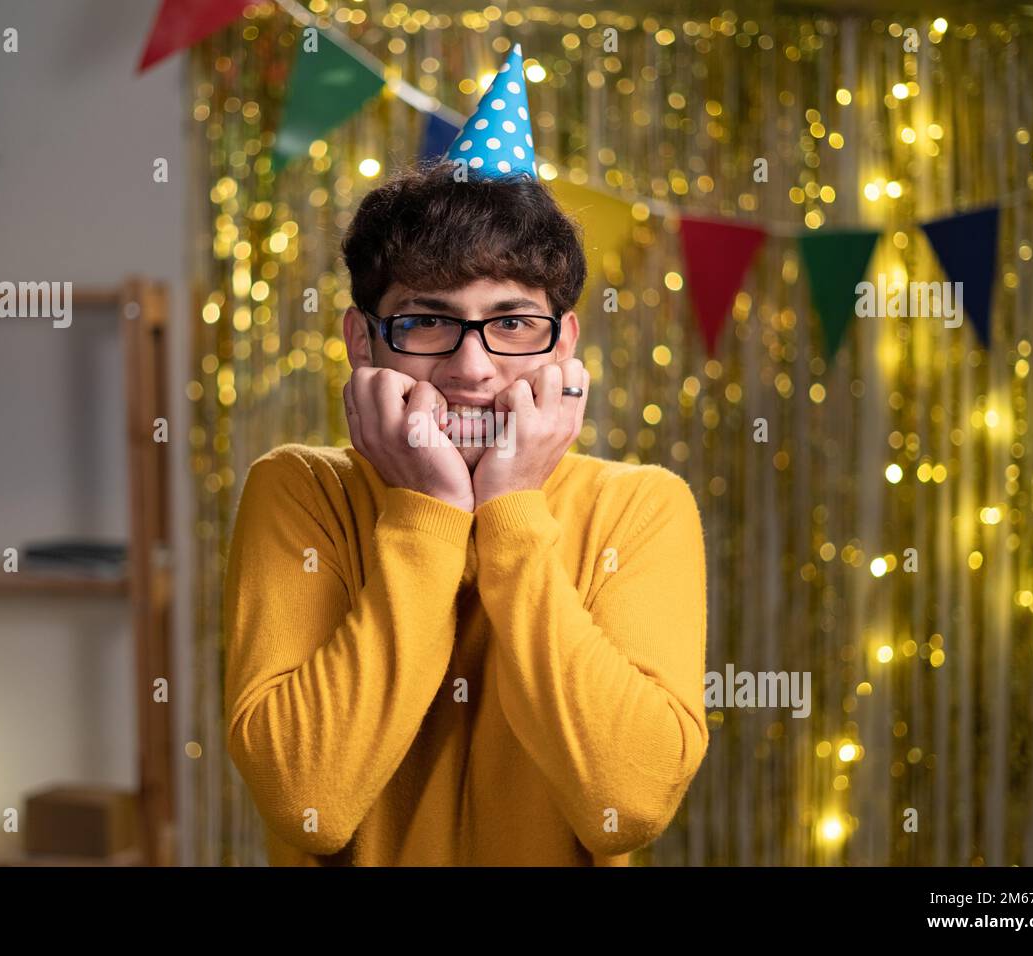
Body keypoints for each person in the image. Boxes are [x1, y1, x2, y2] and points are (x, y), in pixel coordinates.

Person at [223, 45, 707, 866]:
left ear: (566, 346)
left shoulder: (642, 507)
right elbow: (309, 804)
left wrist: (512, 514)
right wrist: (428, 514)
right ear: (362, 341)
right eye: (426, 322)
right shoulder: (298, 490)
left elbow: (625, 807)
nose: (473, 369)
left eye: (514, 323)